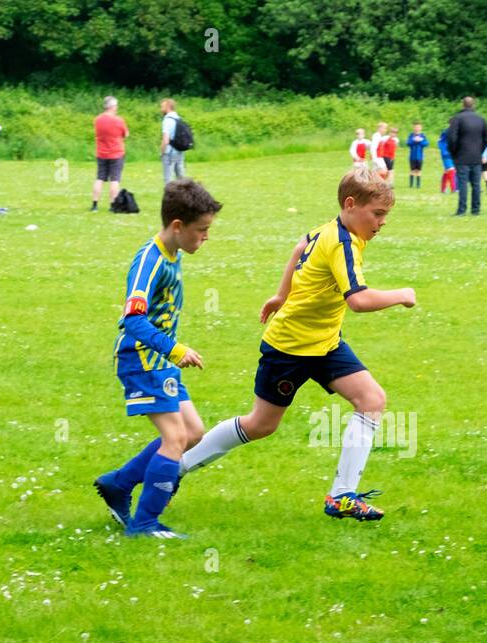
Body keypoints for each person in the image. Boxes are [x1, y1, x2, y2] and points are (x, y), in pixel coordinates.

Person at [174, 169, 417, 522]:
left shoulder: (333, 229)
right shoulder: (342, 242)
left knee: (372, 400)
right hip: (289, 348)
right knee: (260, 425)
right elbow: (359, 301)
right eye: (377, 214)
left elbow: (300, 246)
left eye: (385, 216)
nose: (382, 223)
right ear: (350, 205)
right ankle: (174, 469)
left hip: (324, 344)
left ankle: (342, 496)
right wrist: (402, 295)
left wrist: (280, 294)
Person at [93, 178, 223, 539]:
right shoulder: (149, 261)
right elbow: (132, 319)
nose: (206, 237)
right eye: (202, 230)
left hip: (159, 360)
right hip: (142, 359)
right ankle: (145, 524)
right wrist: (175, 349)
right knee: (175, 439)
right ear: (178, 226)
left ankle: (119, 483)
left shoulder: (173, 251)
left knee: (193, 433)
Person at [447, 96, 487, 216]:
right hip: (476, 157)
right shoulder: (481, 119)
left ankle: (462, 210)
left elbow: (451, 138)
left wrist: (454, 152)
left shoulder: (457, 118)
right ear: (473, 104)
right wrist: (479, 151)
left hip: (461, 156)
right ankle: (476, 209)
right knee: (476, 184)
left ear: (463, 104)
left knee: (463, 184)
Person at [92, 96, 128, 212]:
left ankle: (95, 205)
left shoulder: (97, 119)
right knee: (115, 180)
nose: (117, 108)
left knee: (100, 178)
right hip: (116, 153)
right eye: (116, 106)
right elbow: (125, 134)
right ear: (112, 107)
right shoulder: (118, 120)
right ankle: (113, 206)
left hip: (101, 153)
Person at [160, 99, 187, 185]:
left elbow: (166, 140)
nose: (161, 109)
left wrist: (162, 152)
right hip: (179, 151)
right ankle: (185, 196)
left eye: (162, 107)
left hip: (169, 153)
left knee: (168, 180)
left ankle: (169, 197)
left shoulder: (167, 120)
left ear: (168, 107)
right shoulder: (178, 118)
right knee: (181, 178)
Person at [437, 128, 456, 193]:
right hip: (446, 155)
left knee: (447, 171)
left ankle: (443, 189)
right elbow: (440, 141)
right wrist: (444, 151)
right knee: (451, 170)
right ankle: (453, 189)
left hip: (454, 154)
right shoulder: (446, 131)